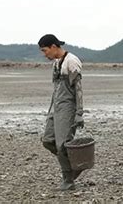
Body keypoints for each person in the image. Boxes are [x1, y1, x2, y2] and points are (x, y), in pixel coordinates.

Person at [38, 34, 84, 191]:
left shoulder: (72, 62)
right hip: (56, 106)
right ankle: (74, 167)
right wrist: (50, 110)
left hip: (68, 107)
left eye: (45, 51)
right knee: (48, 140)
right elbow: (56, 88)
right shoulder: (56, 63)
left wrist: (79, 113)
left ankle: (68, 180)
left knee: (62, 144)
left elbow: (78, 89)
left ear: (53, 46)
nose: (45, 55)